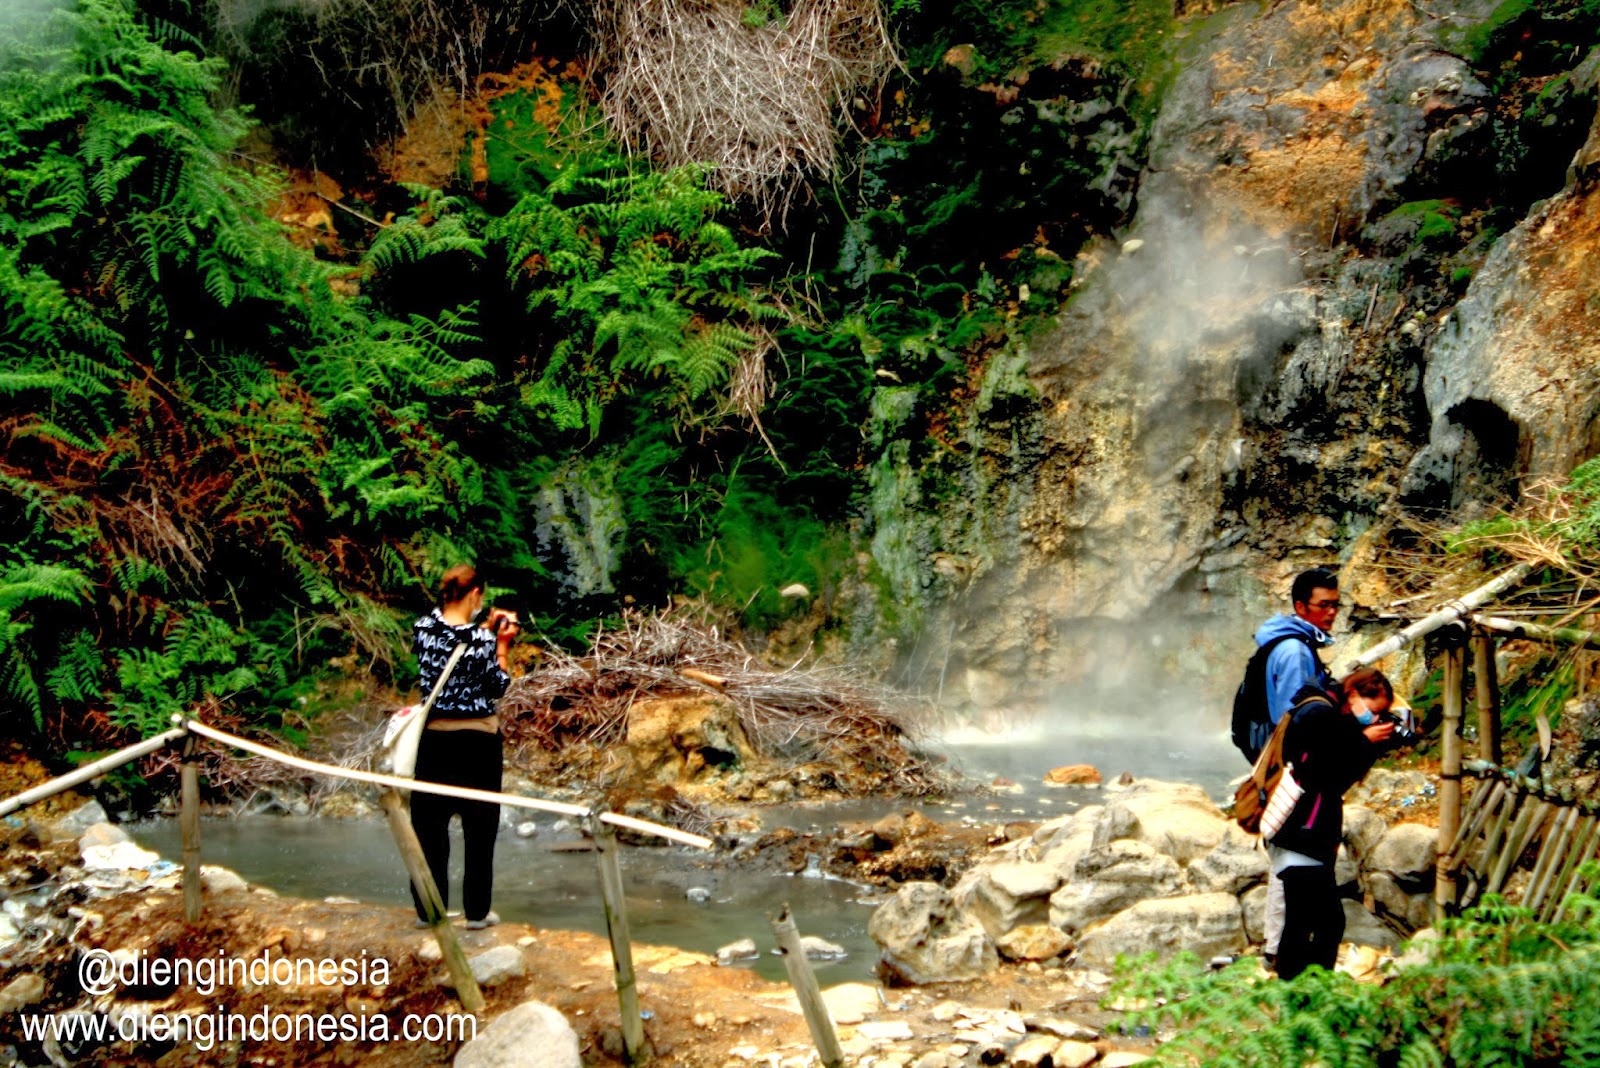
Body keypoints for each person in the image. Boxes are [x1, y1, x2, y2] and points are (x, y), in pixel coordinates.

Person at [1267, 668, 1396, 980]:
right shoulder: (1320, 716)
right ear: (1353, 695)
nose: (1374, 719)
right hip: (1303, 829)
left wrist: (1364, 742)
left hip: (1304, 830)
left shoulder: (1323, 712)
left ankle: (1297, 992)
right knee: (1322, 922)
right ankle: (1307, 993)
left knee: (1306, 920)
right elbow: (1323, 776)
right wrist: (1363, 742)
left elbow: (1335, 773)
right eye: (1373, 710)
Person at [409, 564, 518, 930]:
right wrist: (502, 646)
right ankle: (476, 913)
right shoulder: (485, 641)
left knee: (429, 828)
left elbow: (450, 641)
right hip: (478, 742)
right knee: (479, 828)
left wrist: (483, 630)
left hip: (435, 740)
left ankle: (429, 910)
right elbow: (497, 686)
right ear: (475, 595)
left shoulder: (422, 630)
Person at [1252, 566, 1341, 963]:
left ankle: (1277, 946)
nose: (1332, 613)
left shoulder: (1291, 643)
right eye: (1324, 605)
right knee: (1289, 857)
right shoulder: (1294, 651)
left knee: (1284, 857)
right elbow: (1299, 717)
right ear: (1300, 606)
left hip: (1280, 763)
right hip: (1289, 766)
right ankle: (1279, 949)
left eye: (1336, 605)